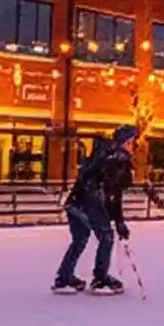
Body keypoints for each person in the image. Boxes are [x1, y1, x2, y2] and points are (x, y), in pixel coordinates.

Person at [53, 124, 138, 294]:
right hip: (89, 202)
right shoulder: (116, 158)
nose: (133, 146)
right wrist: (118, 221)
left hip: (76, 201)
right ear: (125, 141)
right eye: (131, 142)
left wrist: (119, 220)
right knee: (106, 236)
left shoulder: (104, 154)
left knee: (80, 239)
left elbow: (113, 193)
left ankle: (64, 277)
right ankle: (100, 278)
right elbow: (111, 190)